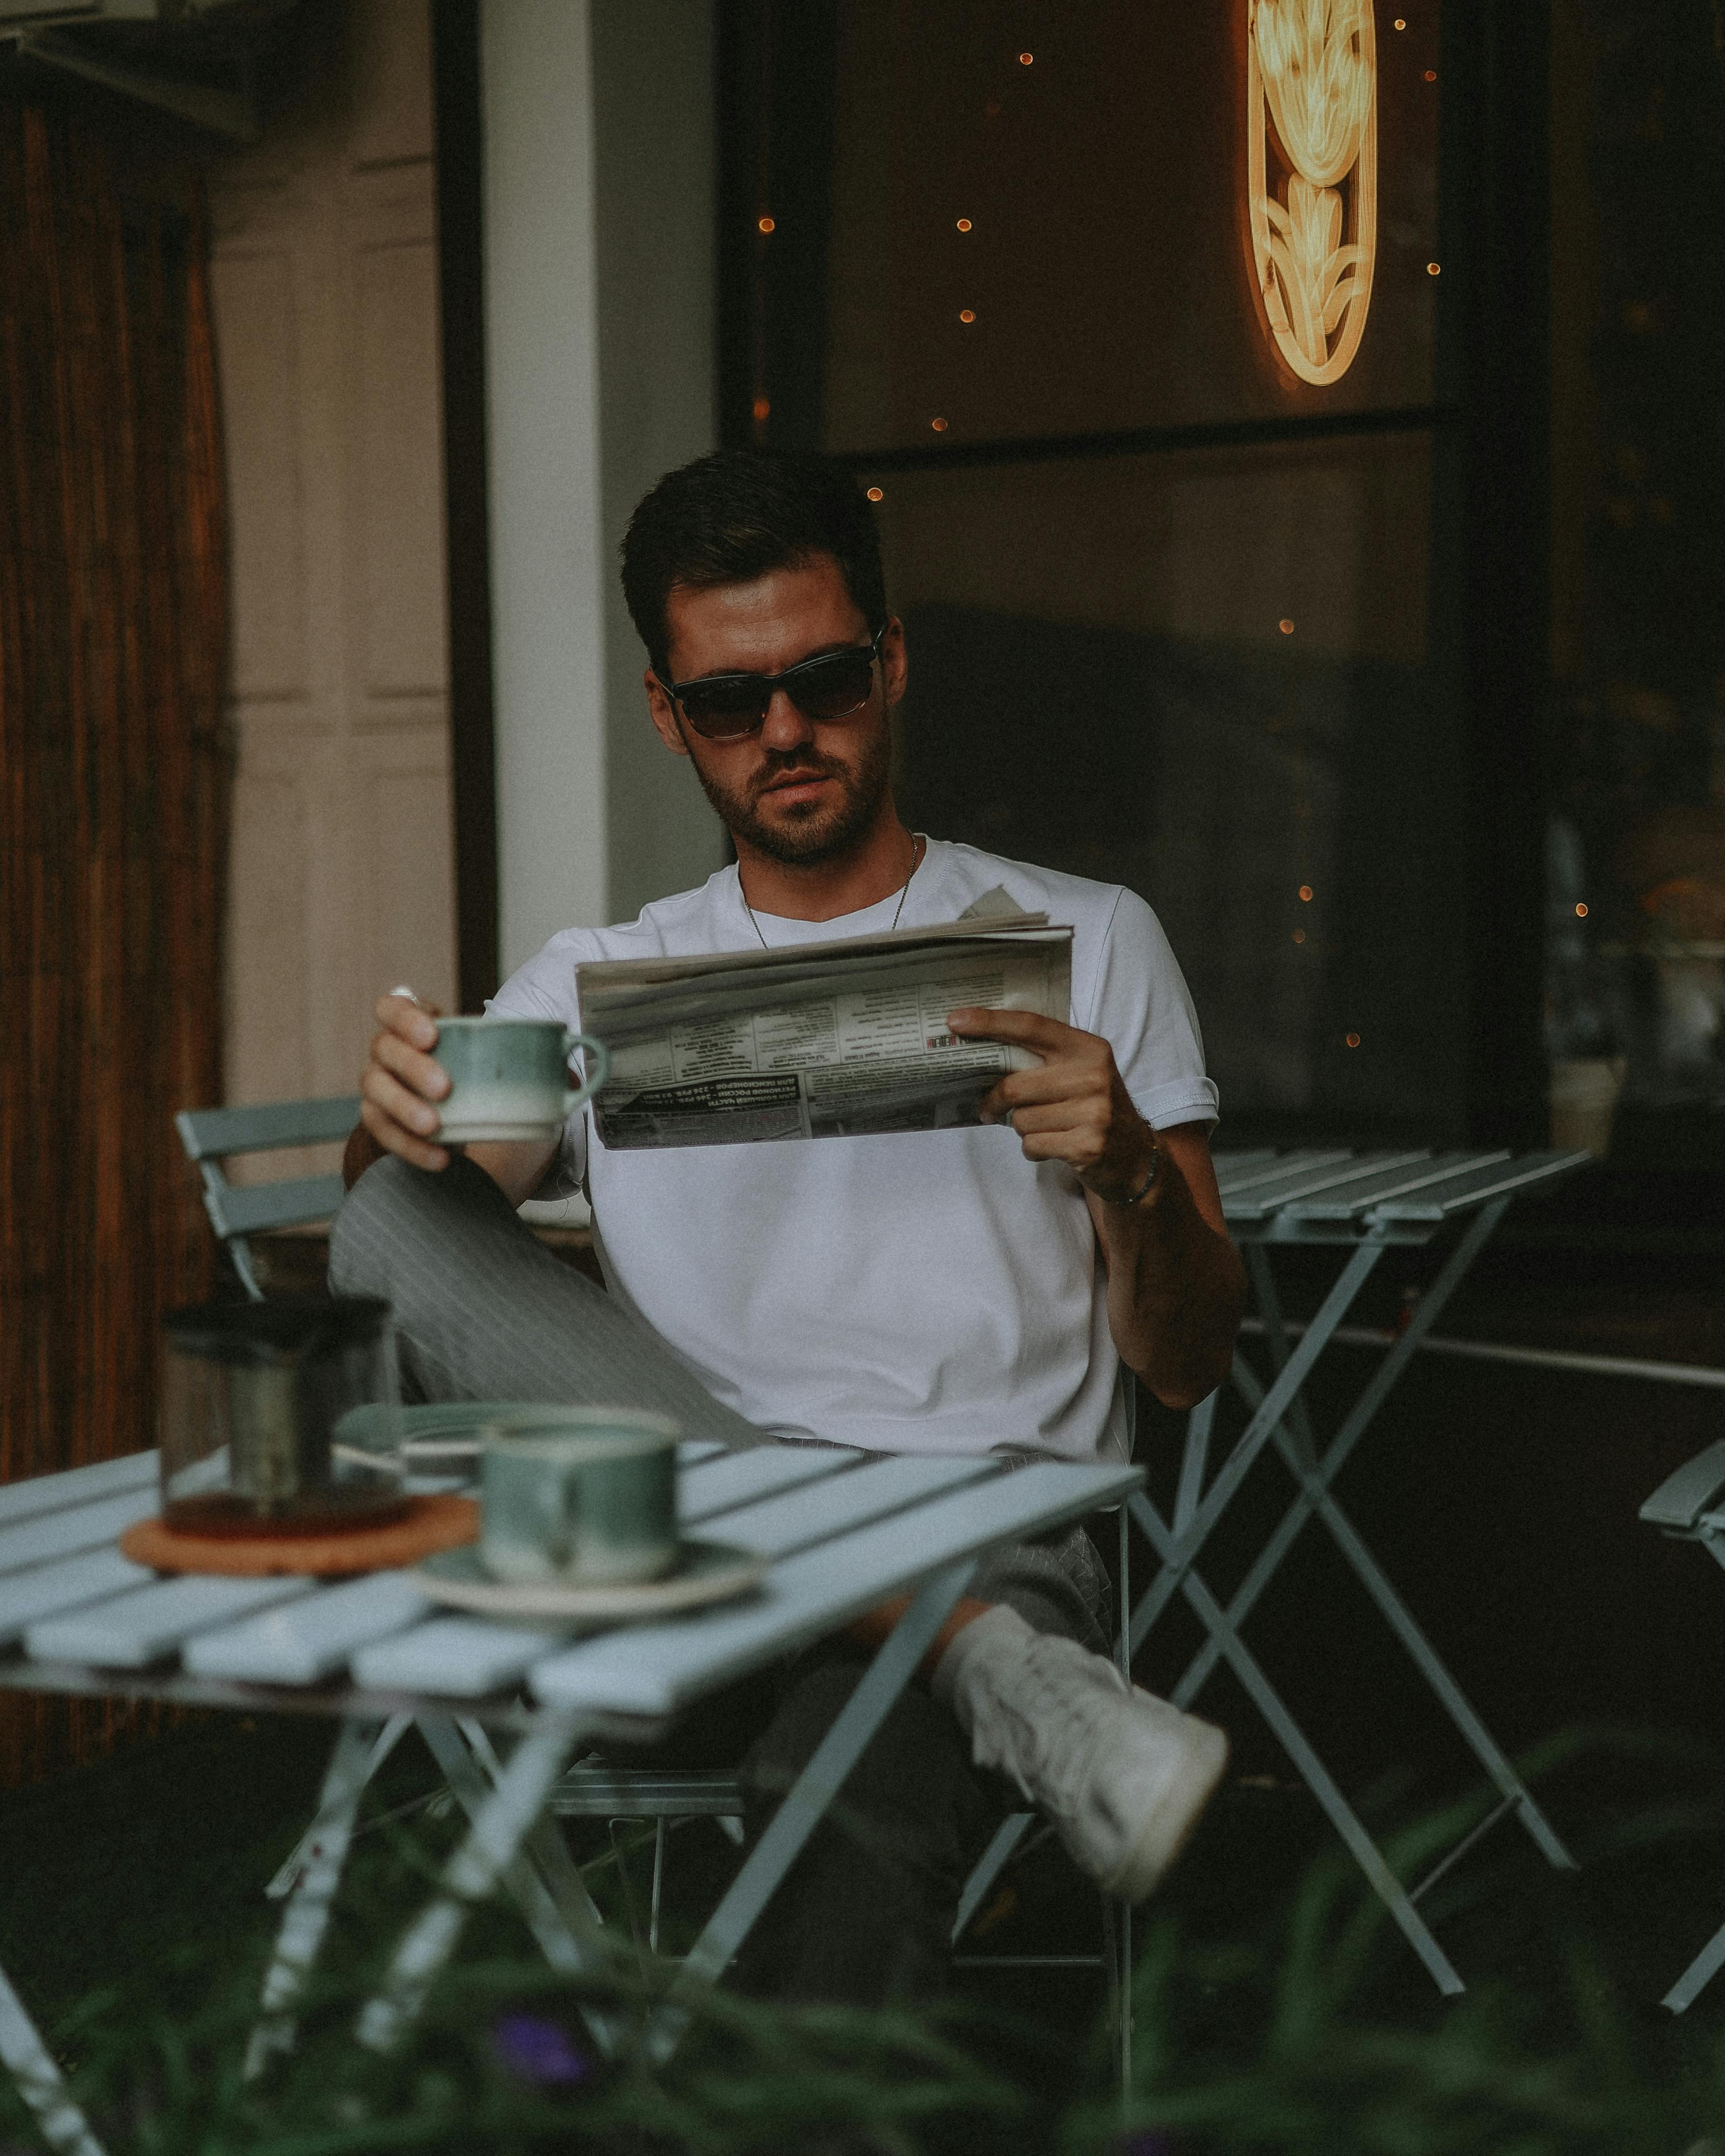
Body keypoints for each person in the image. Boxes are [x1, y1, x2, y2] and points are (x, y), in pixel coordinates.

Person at [337, 449, 1246, 2006]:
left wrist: (1130, 1176)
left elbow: (1183, 1365)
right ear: (663, 711)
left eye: (822, 678)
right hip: (682, 1552)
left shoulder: (1089, 938)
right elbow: (415, 1244)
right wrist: (396, 1116)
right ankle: (981, 1665)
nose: (782, 731)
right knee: (376, 1224)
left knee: (840, 1809)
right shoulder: (596, 975)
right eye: (725, 700)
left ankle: (949, 1640)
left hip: (986, 1524)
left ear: (888, 661)